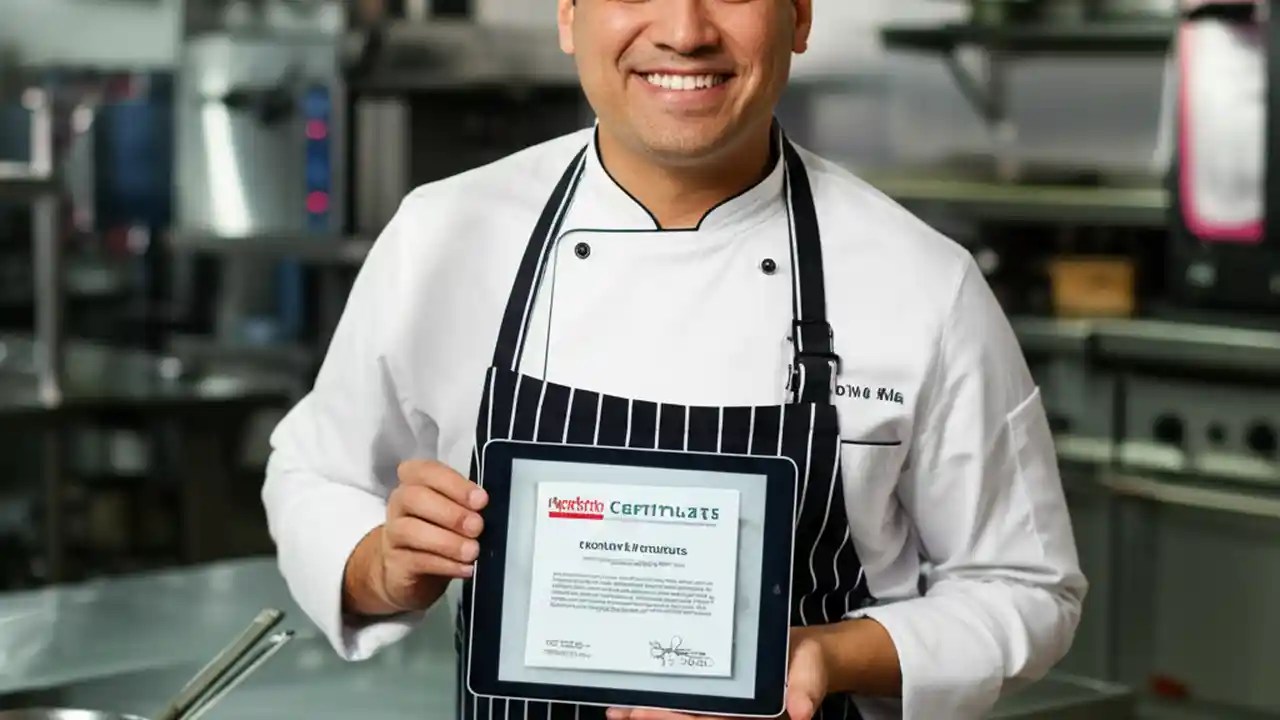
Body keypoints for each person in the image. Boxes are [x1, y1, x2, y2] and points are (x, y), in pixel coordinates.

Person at [261, 1, 1087, 718]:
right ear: (568, 14)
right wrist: (380, 565)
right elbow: (313, 472)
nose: (685, 32)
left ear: (798, 14)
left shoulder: (922, 283)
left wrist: (825, 656)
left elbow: (1025, 588)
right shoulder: (442, 237)